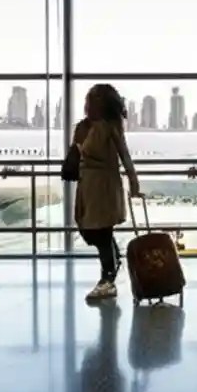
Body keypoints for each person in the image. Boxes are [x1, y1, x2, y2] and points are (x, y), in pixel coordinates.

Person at [74, 84, 141, 301]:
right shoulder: (83, 126)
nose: (88, 105)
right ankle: (113, 262)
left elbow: (124, 154)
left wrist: (133, 181)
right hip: (86, 184)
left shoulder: (110, 126)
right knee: (90, 230)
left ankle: (107, 278)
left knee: (101, 231)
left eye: (92, 101)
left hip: (104, 184)